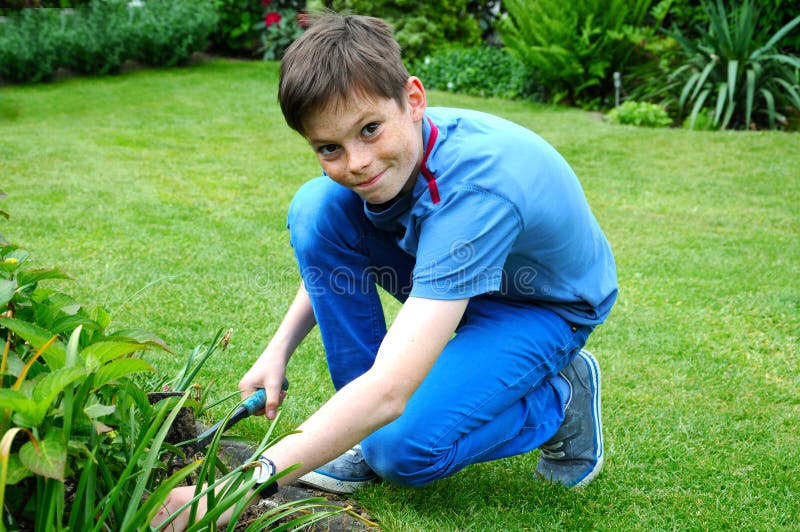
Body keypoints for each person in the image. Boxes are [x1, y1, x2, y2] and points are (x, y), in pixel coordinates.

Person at [152, 12, 617, 530]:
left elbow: (393, 389)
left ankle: (563, 397)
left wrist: (233, 491)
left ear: (413, 99)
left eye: (369, 130)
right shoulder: (398, 154)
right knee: (318, 207)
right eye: (330, 148)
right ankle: (359, 428)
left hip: (540, 304)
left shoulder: (473, 192)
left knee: (401, 451)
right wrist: (278, 347)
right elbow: (332, 253)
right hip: (457, 272)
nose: (356, 163)